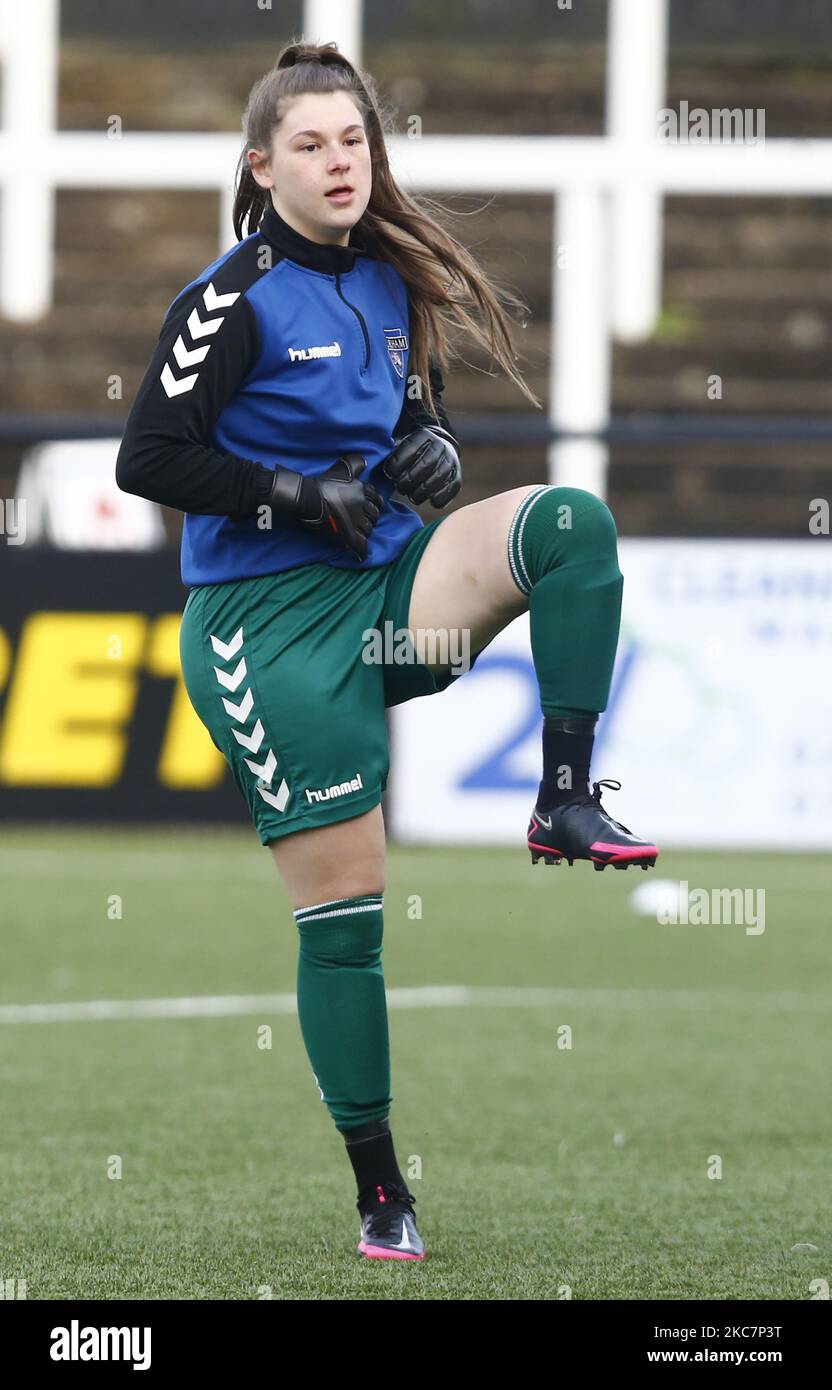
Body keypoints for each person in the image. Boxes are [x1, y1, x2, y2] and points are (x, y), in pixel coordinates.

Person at [116, 38, 658, 1264]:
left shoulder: (384, 279)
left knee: (568, 525)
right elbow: (145, 459)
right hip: (269, 638)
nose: (338, 160)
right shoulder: (230, 296)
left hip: (389, 596)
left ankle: (563, 799)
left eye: (352, 139)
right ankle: (379, 1191)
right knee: (347, 922)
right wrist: (298, 498)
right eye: (308, 144)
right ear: (262, 168)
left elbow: (416, 426)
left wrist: (438, 453)